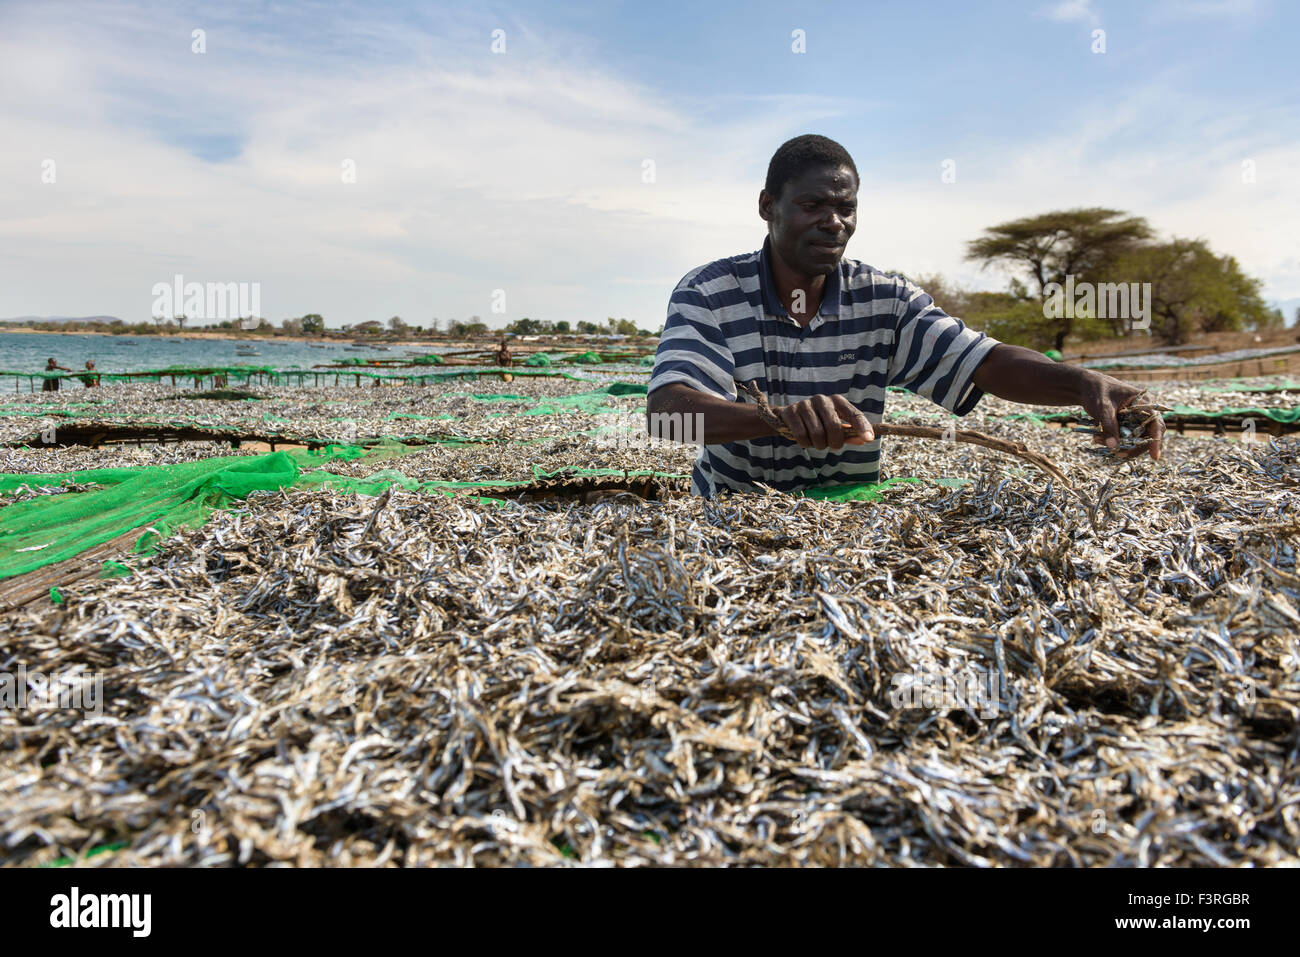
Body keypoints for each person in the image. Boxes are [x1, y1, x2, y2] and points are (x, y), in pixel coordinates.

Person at [647, 134, 1164, 498]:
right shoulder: (711, 293)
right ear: (767, 206)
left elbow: (983, 362)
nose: (834, 223)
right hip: (732, 513)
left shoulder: (886, 300)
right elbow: (668, 414)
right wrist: (775, 420)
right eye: (812, 205)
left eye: (846, 208)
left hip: (846, 519)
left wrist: (1081, 384)